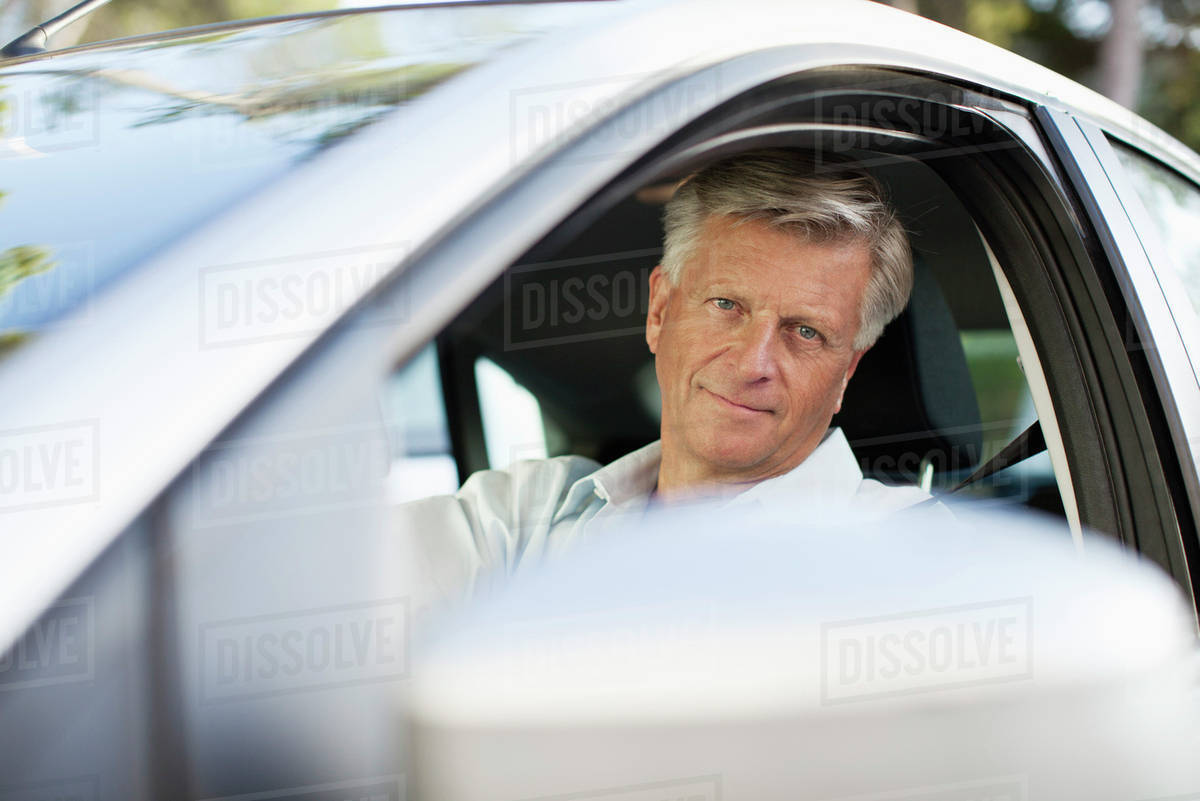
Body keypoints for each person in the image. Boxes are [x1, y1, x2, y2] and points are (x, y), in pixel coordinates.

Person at [397, 149, 933, 605]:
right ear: (659, 311)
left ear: (848, 371)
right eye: (725, 304)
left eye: (806, 332)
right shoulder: (526, 516)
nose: (752, 364)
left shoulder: (910, 554)